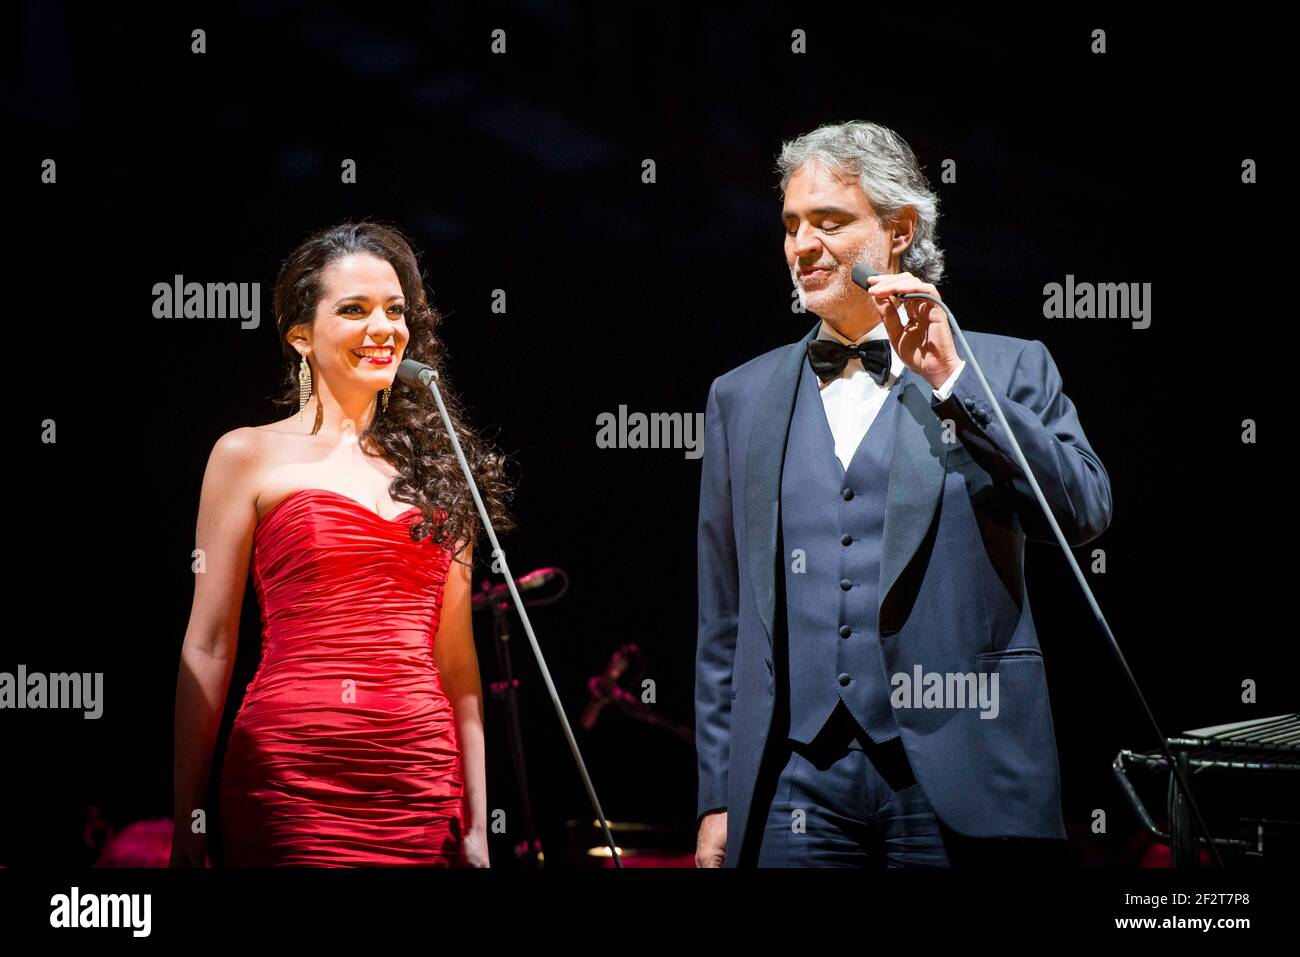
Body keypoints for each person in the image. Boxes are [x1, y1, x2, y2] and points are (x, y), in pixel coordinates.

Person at [694, 121, 1112, 867]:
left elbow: (1083, 510)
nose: (802, 246)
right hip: (796, 784)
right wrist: (719, 794)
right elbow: (724, 618)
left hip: (958, 771)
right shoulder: (740, 396)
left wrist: (955, 383)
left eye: (830, 222)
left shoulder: (1006, 369)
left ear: (899, 231)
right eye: (791, 225)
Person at [171, 221, 511, 867]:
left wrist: (476, 823)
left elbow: (459, 665)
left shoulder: (442, 471)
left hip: (417, 776)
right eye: (354, 309)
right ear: (300, 333)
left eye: (395, 310)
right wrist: (188, 818)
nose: (383, 327)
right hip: (292, 771)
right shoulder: (247, 454)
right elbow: (209, 644)